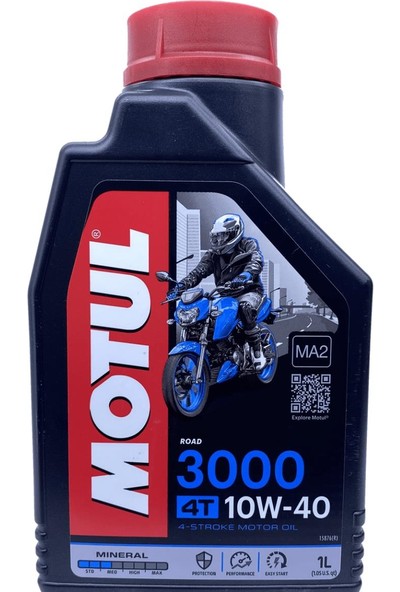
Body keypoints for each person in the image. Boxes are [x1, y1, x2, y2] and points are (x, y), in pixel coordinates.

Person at [169, 213, 267, 371]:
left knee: (244, 307)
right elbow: (198, 272)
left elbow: (256, 261)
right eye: (216, 237)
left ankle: (257, 350)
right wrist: (180, 287)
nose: (219, 241)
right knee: (205, 316)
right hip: (224, 294)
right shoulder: (212, 255)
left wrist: (245, 275)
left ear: (234, 233)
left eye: (222, 236)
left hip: (248, 291)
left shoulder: (248, 244)